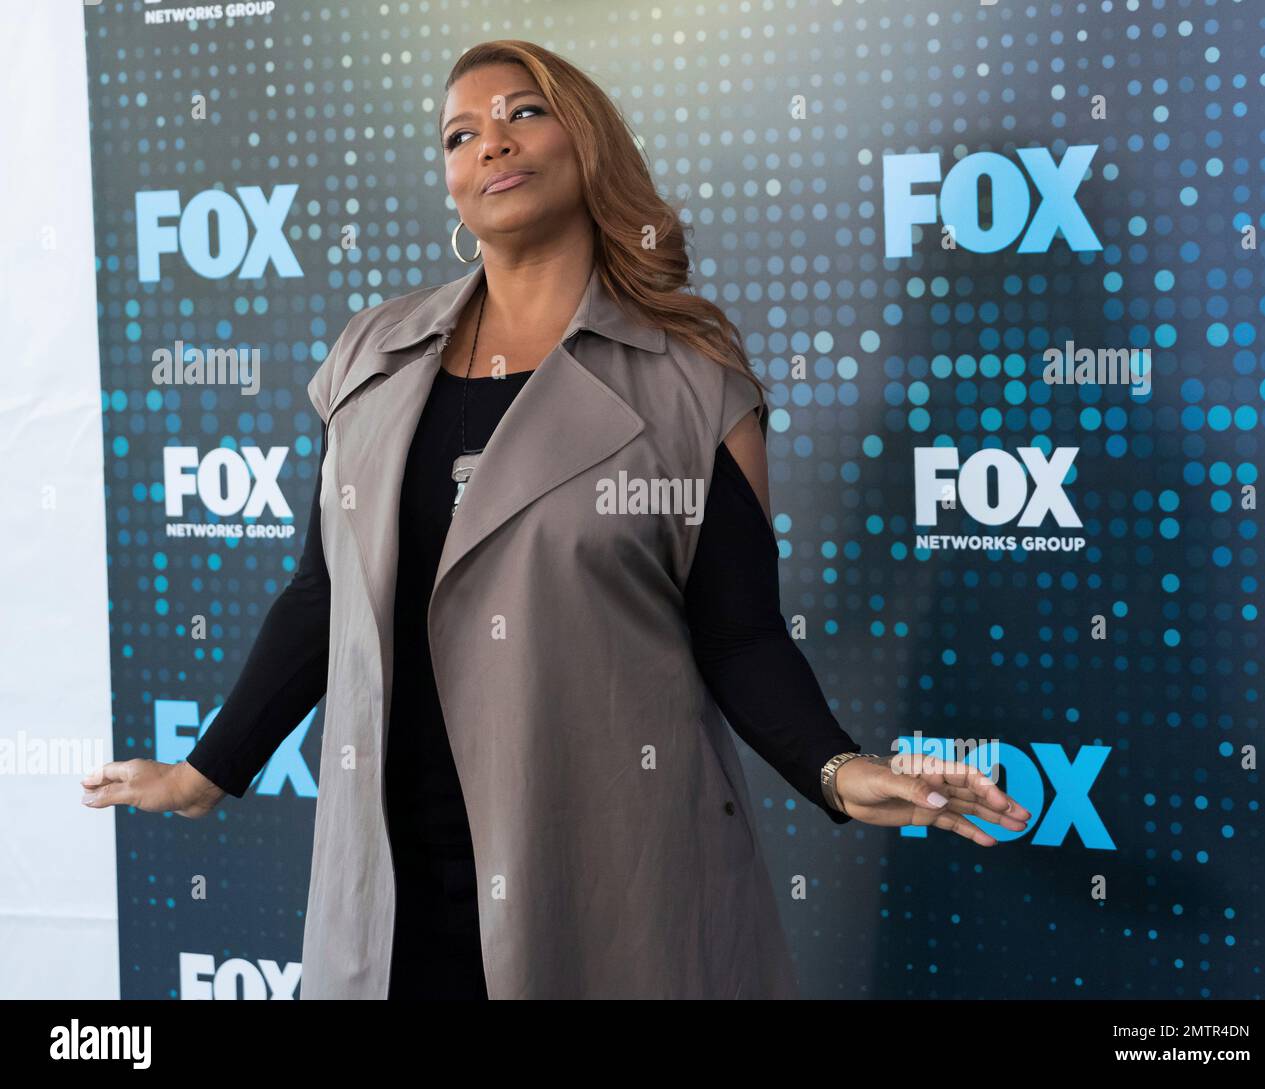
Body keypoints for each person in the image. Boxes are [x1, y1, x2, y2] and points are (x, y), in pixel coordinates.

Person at [81, 40, 1031, 999]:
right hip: (390, 884)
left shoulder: (690, 379)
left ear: (588, 145)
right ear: (450, 184)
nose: (490, 142)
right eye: (461, 133)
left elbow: (739, 634)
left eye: (522, 114)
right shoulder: (371, 358)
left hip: (605, 877)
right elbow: (323, 593)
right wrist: (207, 769)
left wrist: (837, 768)